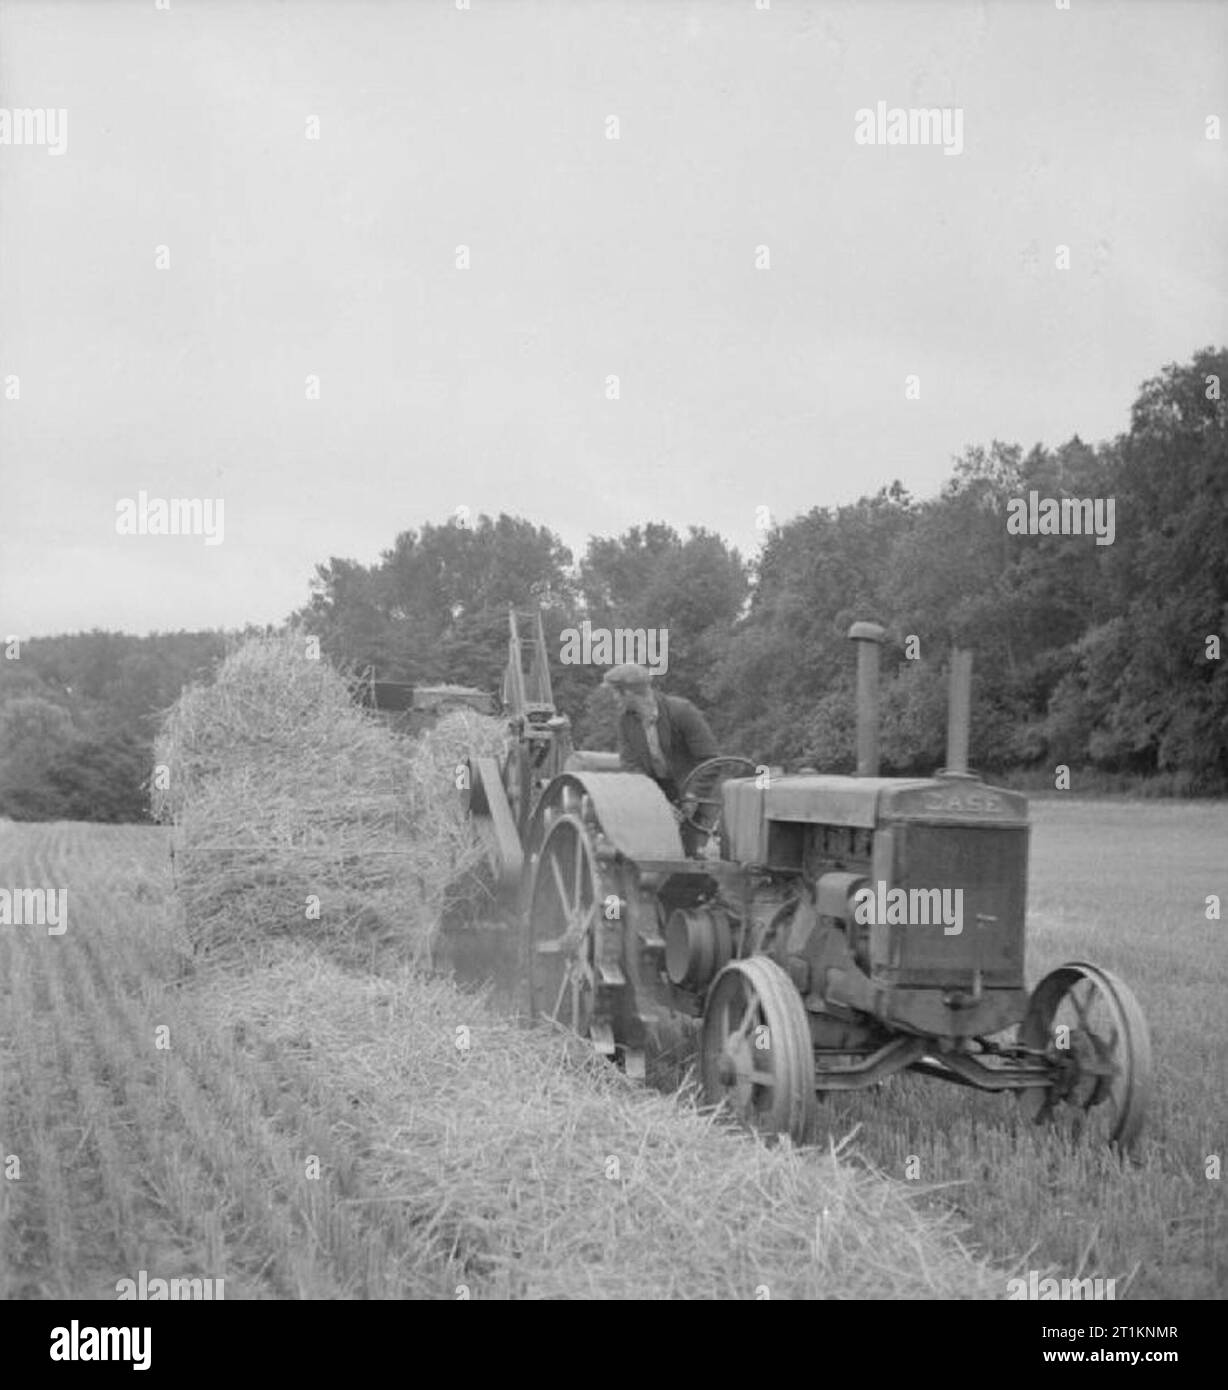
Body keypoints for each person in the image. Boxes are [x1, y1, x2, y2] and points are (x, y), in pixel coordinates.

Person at [603, 664, 718, 850]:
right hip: (658, 794)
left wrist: (692, 796)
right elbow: (631, 766)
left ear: (629, 693)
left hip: (697, 794)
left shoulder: (682, 711)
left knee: (697, 857)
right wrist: (658, 801)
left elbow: (710, 760)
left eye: (616, 693)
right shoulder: (626, 721)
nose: (615, 699)